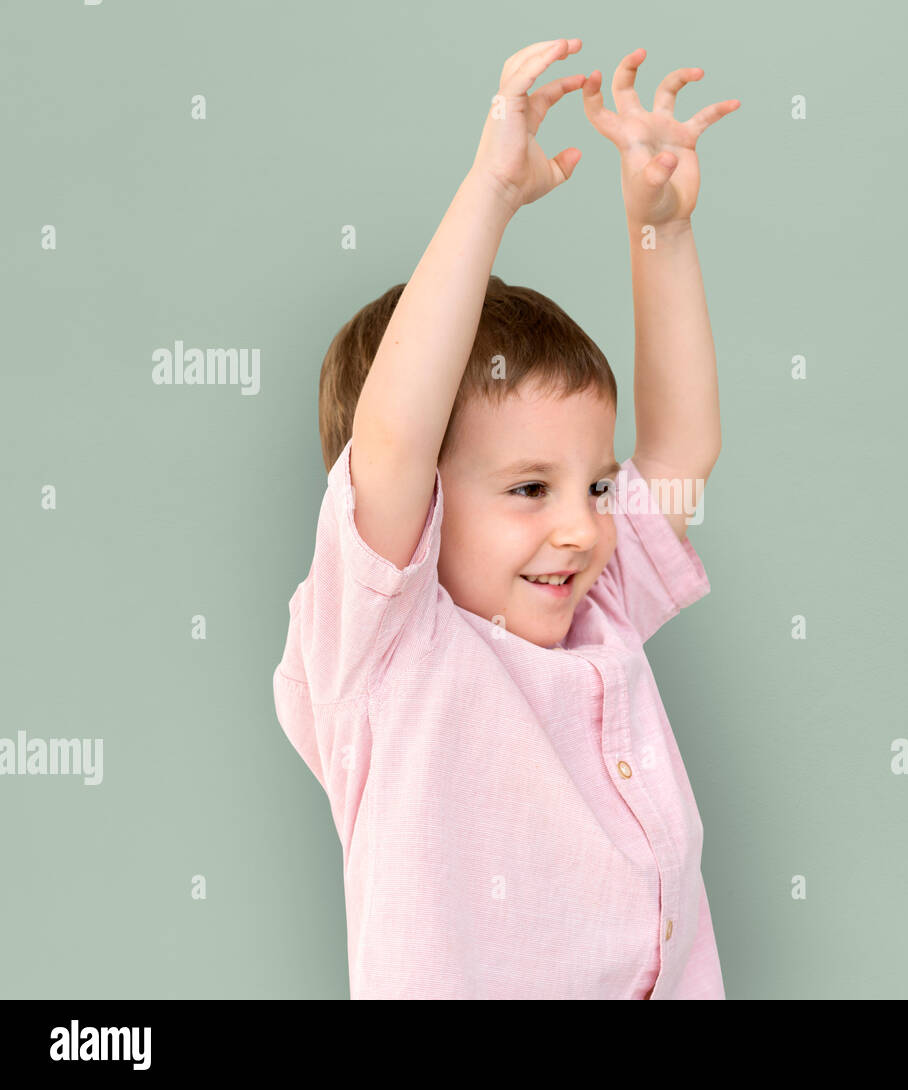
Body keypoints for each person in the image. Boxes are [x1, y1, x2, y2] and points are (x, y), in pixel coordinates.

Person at [272, 37, 738, 998]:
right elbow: (394, 441)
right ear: (427, 502)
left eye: (595, 486)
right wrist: (491, 190)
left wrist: (661, 230)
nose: (582, 528)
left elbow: (681, 452)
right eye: (530, 488)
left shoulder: (598, 607)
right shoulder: (385, 651)